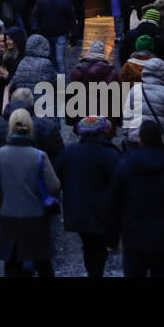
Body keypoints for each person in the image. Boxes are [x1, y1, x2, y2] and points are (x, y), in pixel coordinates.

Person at [107, 121, 164, 277]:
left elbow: (114, 207)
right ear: (160, 141)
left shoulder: (124, 168)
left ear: (140, 141)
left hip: (134, 239)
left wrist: (112, 241)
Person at [0, 108, 60, 277]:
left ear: (10, 127)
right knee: (43, 264)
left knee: (12, 265)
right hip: (36, 217)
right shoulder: (40, 156)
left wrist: (1, 208)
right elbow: (54, 186)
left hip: (9, 216)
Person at [54, 115, 122, 277]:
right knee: (99, 247)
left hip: (78, 211)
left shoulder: (69, 152)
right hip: (103, 212)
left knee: (89, 246)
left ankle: (93, 271)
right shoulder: (111, 154)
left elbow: (56, 177)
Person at [30, 0, 76, 74]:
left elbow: (71, 18)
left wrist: (73, 32)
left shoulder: (65, 0)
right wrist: (35, 28)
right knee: (52, 60)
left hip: (60, 34)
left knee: (59, 60)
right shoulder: (42, 0)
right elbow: (35, 15)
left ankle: (60, 86)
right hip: (47, 34)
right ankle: (55, 82)